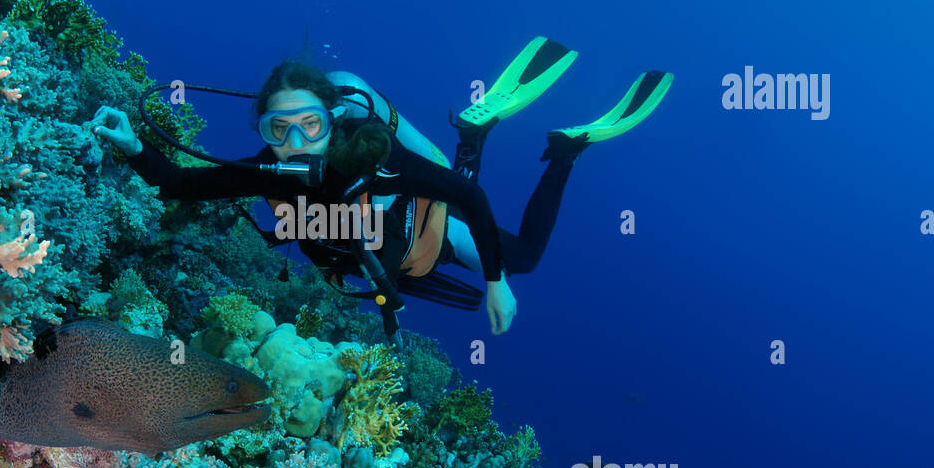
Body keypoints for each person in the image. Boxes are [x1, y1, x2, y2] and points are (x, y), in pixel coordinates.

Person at [93, 40, 670, 336]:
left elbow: (470, 199)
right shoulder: (266, 169)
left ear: (330, 120)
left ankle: (556, 152)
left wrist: (495, 284)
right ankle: (476, 136)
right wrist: (130, 145)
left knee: (524, 257)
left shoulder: (376, 158)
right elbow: (179, 183)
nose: (297, 143)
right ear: (263, 131)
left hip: (428, 231)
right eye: (279, 129)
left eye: (311, 125)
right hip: (383, 259)